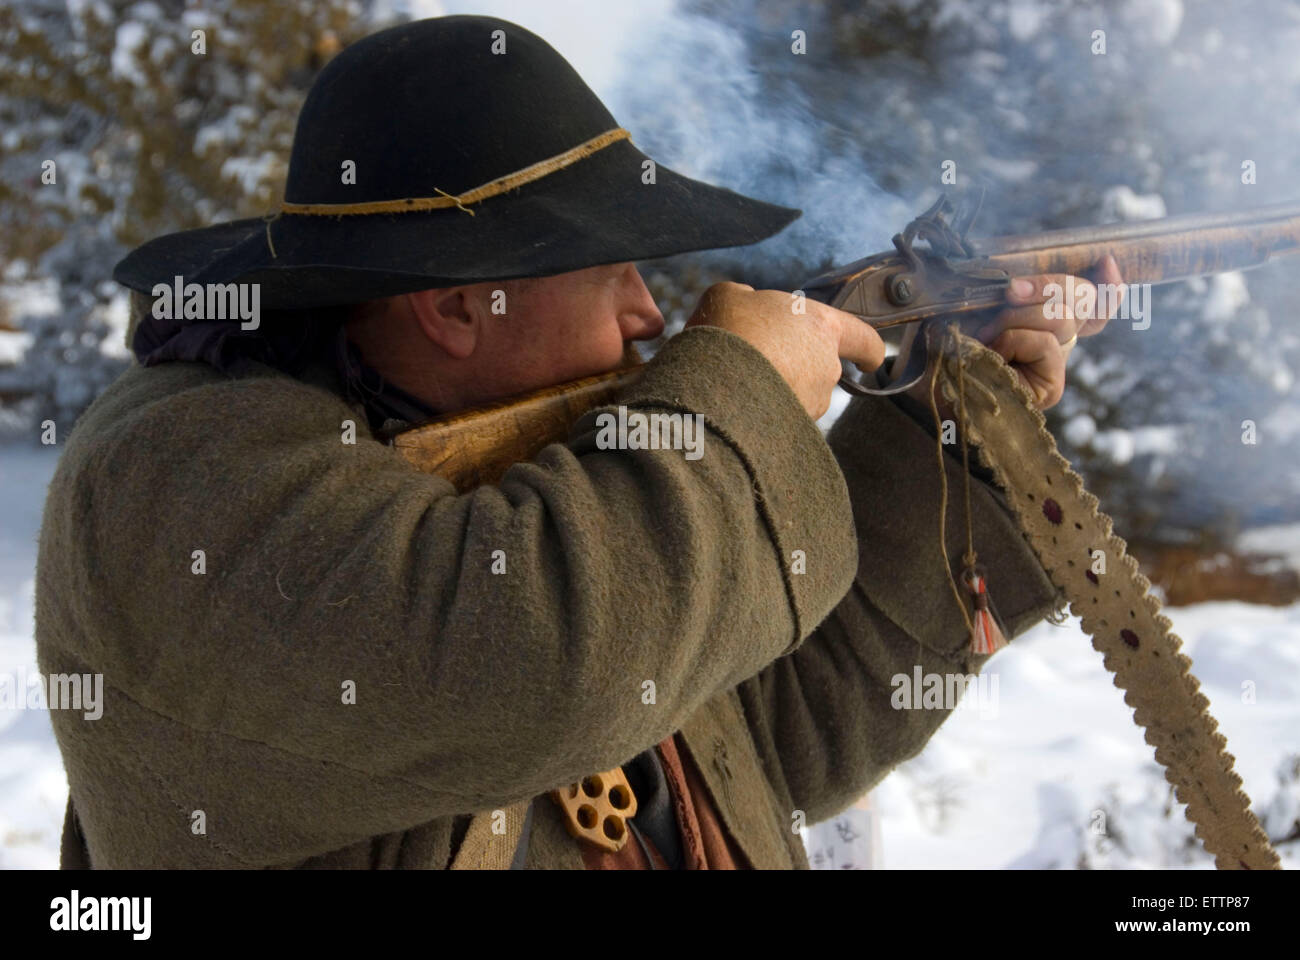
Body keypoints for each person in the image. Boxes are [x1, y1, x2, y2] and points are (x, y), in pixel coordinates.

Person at [36, 15, 1120, 869]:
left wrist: (947, 434)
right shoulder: (173, 480)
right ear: (461, 308)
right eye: (612, 269)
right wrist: (734, 400)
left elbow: (788, 732)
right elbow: (541, 663)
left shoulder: (552, 466)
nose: (650, 312)